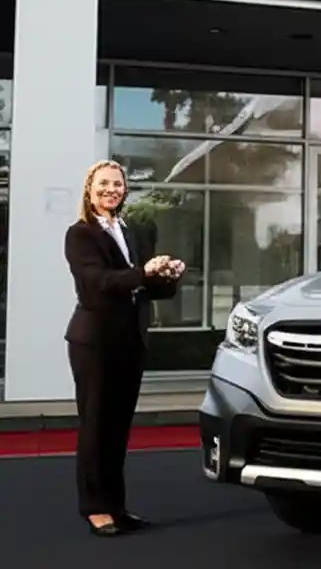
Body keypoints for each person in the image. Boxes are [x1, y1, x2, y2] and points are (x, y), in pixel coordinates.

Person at [64, 160, 186, 536]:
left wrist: (167, 276)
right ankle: (94, 508)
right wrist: (143, 273)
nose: (111, 190)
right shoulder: (80, 234)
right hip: (95, 342)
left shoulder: (132, 231)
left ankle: (116, 506)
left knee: (118, 430)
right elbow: (97, 281)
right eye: (103, 184)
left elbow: (145, 287)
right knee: (96, 426)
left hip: (130, 340)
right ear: (89, 189)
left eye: (117, 184)